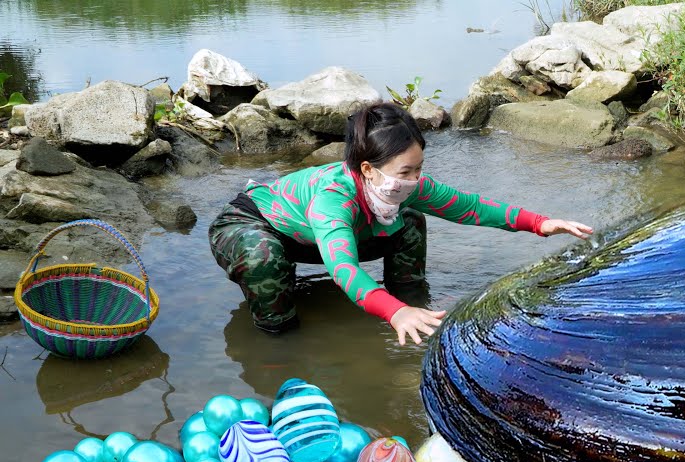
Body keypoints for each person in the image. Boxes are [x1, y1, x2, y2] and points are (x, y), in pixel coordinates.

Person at [208, 101, 592, 344]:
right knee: (264, 259)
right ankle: (278, 335)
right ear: (367, 170)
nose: (414, 179)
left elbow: (470, 207)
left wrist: (539, 223)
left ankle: (412, 302)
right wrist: (392, 312)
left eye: (419, 168)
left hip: (313, 235)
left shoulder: (402, 186)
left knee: (409, 216)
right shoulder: (332, 200)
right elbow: (343, 269)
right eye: (406, 171)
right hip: (255, 226)